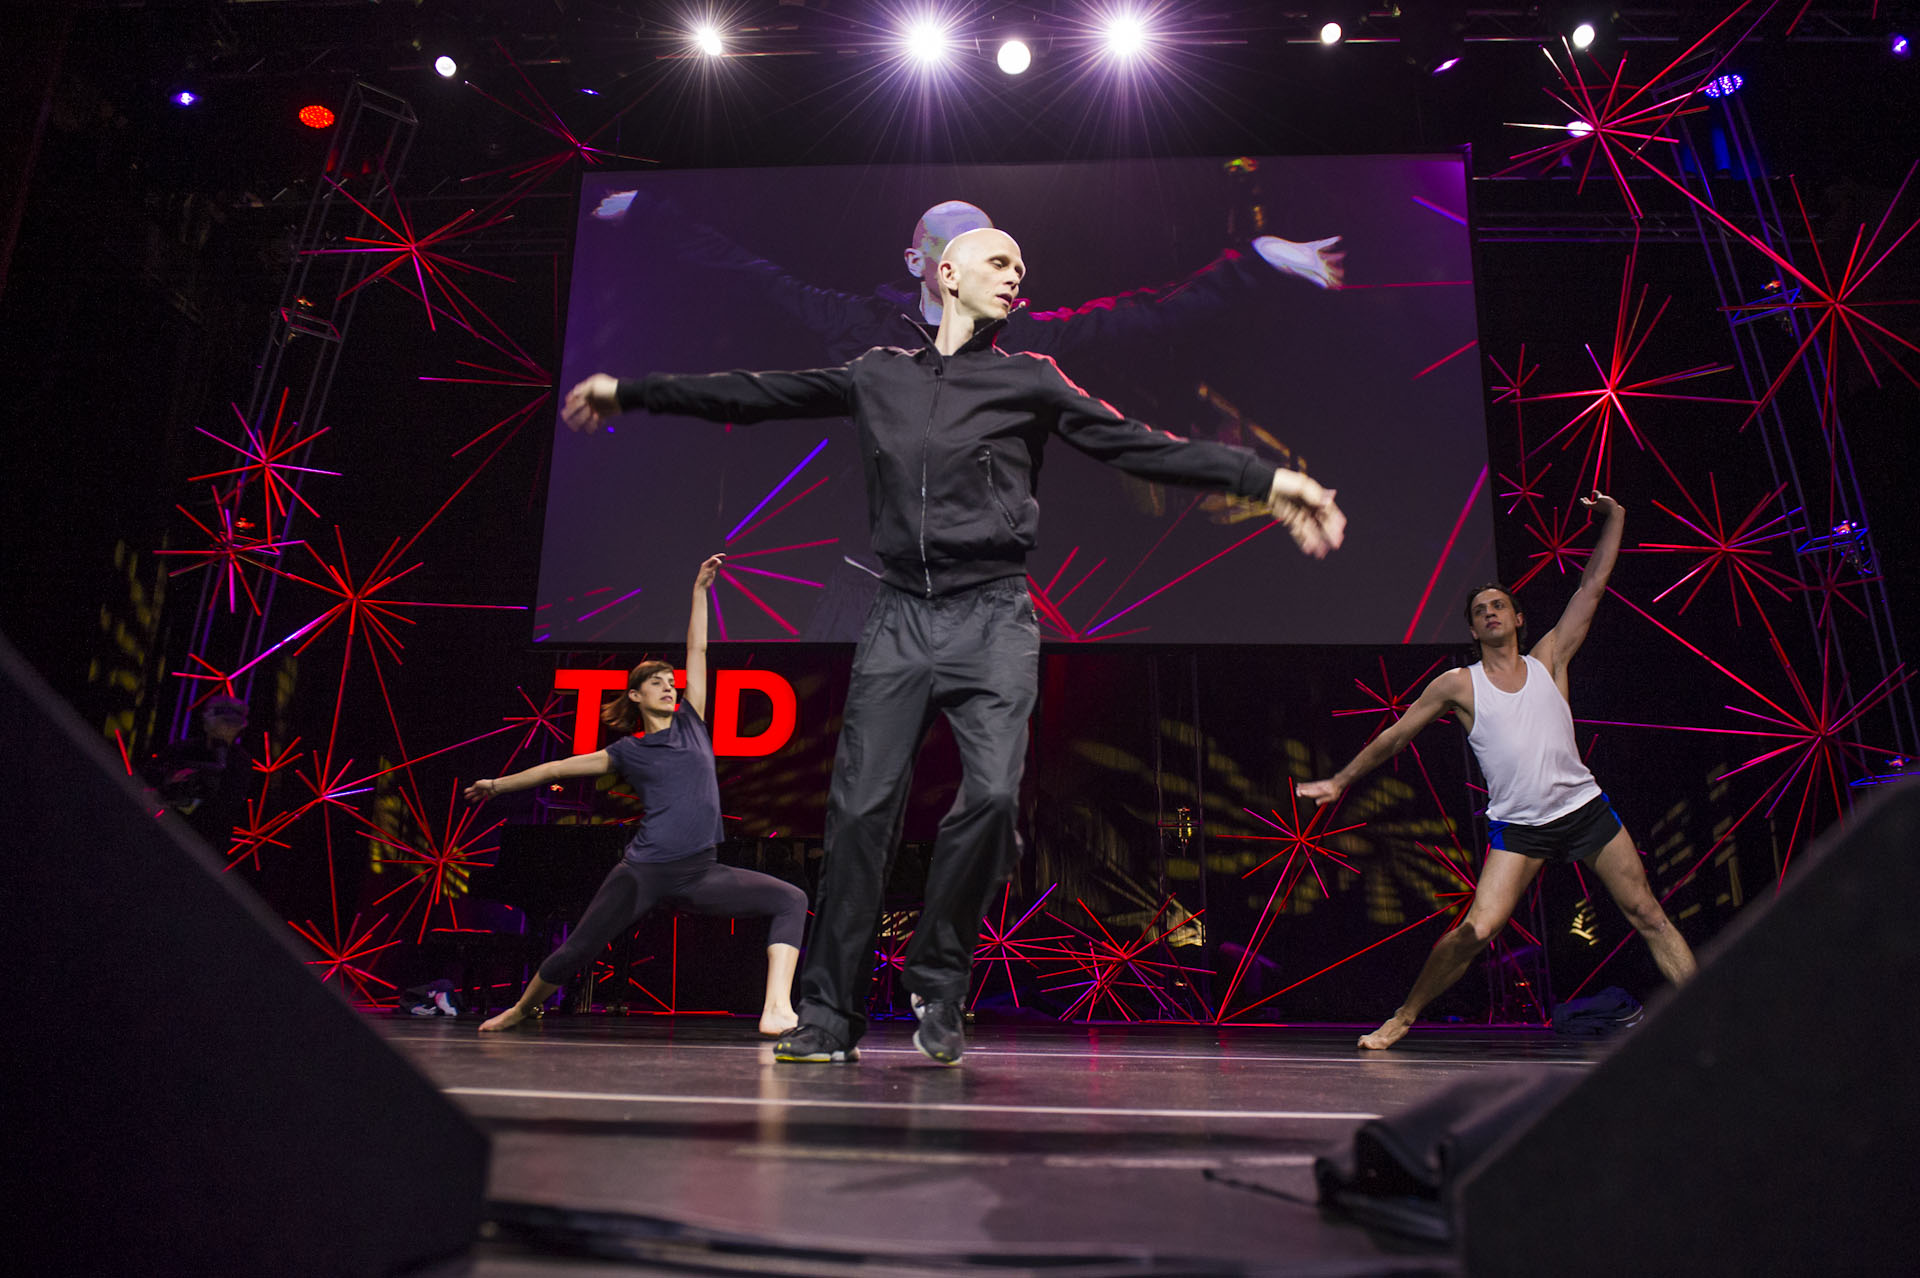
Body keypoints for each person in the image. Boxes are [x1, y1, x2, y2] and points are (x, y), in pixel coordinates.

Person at [562, 227, 1347, 1065]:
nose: (1018, 276)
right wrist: (632, 392)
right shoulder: (877, 374)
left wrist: (1269, 480)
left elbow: (1137, 444)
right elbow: (757, 393)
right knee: (860, 817)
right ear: (947, 275)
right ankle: (829, 1016)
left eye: (1021, 267)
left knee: (995, 804)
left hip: (994, 617)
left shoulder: (1030, 378)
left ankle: (937, 977)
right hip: (899, 617)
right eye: (1000, 262)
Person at [1297, 491, 1697, 1050]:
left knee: (1647, 912)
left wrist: (1619, 515)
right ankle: (1404, 1017)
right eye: (1480, 610)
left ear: (1517, 618)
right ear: (1474, 629)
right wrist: (1340, 780)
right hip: (1520, 828)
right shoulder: (1460, 684)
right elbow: (1396, 735)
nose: (1489, 612)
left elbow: (1592, 586)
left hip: (1583, 810)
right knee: (1473, 932)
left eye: (1498, 605)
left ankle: (1711, 1010)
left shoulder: (1549, 658)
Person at [465, 555, 809, 1036]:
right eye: (656, 683)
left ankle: (776, 1009)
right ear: (635, 696)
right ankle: (521, 1009)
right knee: (578, 950)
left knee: (791, 898)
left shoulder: (694, 724)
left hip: (699, 873)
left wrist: (700, 591)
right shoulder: (627, 751)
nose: (669, 687)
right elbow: (557, 768)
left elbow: (698, 648)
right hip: (643, 873)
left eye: (671, 682)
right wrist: (497, 785)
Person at [590, 192, 1346, 362]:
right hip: (875, 566)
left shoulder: (1021, 340)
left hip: (985, 578)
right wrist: (650, 211)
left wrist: (1257, 258)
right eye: (956, 244)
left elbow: (1147, 313)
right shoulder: (863, 322)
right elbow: (749, 272)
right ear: (921, 262)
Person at [146, 693, 256, 847]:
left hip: (206, 843)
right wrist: (169, 780)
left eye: (233, 724)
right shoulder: (181, 749)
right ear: (207, 718)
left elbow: (226, 805)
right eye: (225, 722)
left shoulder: (239, 762)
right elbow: (148, 779)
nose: (228, 728)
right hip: (165, 833)